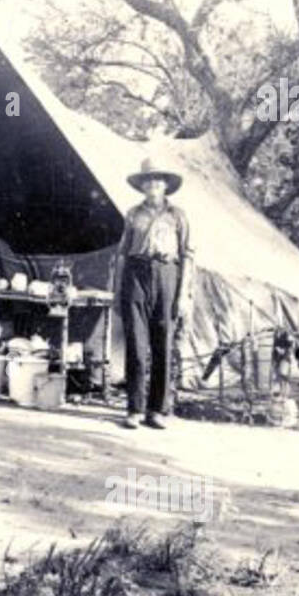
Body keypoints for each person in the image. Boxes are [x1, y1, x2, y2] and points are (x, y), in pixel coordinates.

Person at [112, 158, 193, 430]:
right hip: (136, 275)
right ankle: (134, 409)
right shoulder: (133, 214)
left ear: (166, 185)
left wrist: (183, 296)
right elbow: (122, 254)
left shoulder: (177, 216)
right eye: (148, 180)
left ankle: (157, 410)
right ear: (142, 185)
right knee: (136, 344)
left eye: (158, 180)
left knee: (163, 344)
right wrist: (116, 290)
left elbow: (188, 257)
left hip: (167, 275)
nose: (153, 185)